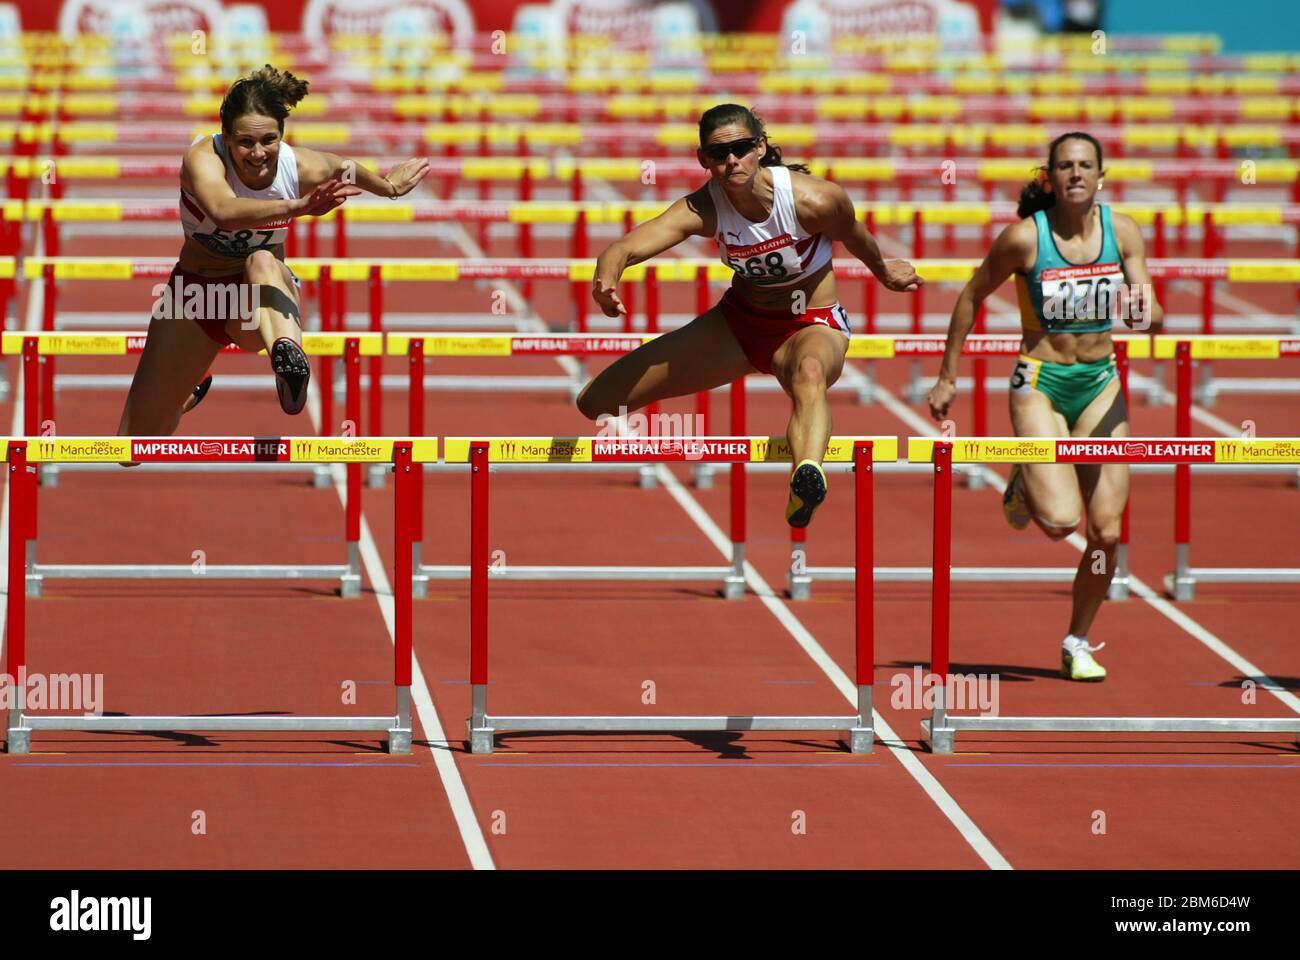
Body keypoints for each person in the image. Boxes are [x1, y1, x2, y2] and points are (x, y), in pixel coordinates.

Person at [576, 103, 921, 526]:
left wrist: (884, 271)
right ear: (704, 160)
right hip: (737, 327)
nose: (731, 161)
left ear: (760, 147)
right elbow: (626, 246)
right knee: (597, 402)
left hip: (809, 323)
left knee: (809, 374)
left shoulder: (814, 199)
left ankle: (806, 475)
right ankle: (804, 467)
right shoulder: (704, 208)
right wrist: (606, 281)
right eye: (719, 154)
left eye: (741, 148)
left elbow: (856, 234)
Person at [925, 131, 1163, 681]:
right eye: (1065, 166)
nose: (1076, 174)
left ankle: (1078, 639)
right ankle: (1028, 480)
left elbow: (1150, 311)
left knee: (1105, 533)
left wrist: (1143, 310)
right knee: (1060, 522)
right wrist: (947, 377)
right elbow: (970, 296)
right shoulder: (1025, 240)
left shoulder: (1123, 231)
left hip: (1101, 382)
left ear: (1101, 176)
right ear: (1050, 178)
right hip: (1041, 381)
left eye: (1086, 165)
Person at [118, 64, 429, 436]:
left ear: (282, 135)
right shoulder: (202, 160)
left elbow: (342, 167)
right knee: (134, 444)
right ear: (225, 137)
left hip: (259, 303)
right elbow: (223, 211)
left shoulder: (298, 166)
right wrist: (297, 207)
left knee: (262, 260)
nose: (257, 153)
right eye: (245, 143)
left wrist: (388, 187)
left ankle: (287, 361)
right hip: (196, 297)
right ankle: (181, 397)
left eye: (269, 140)